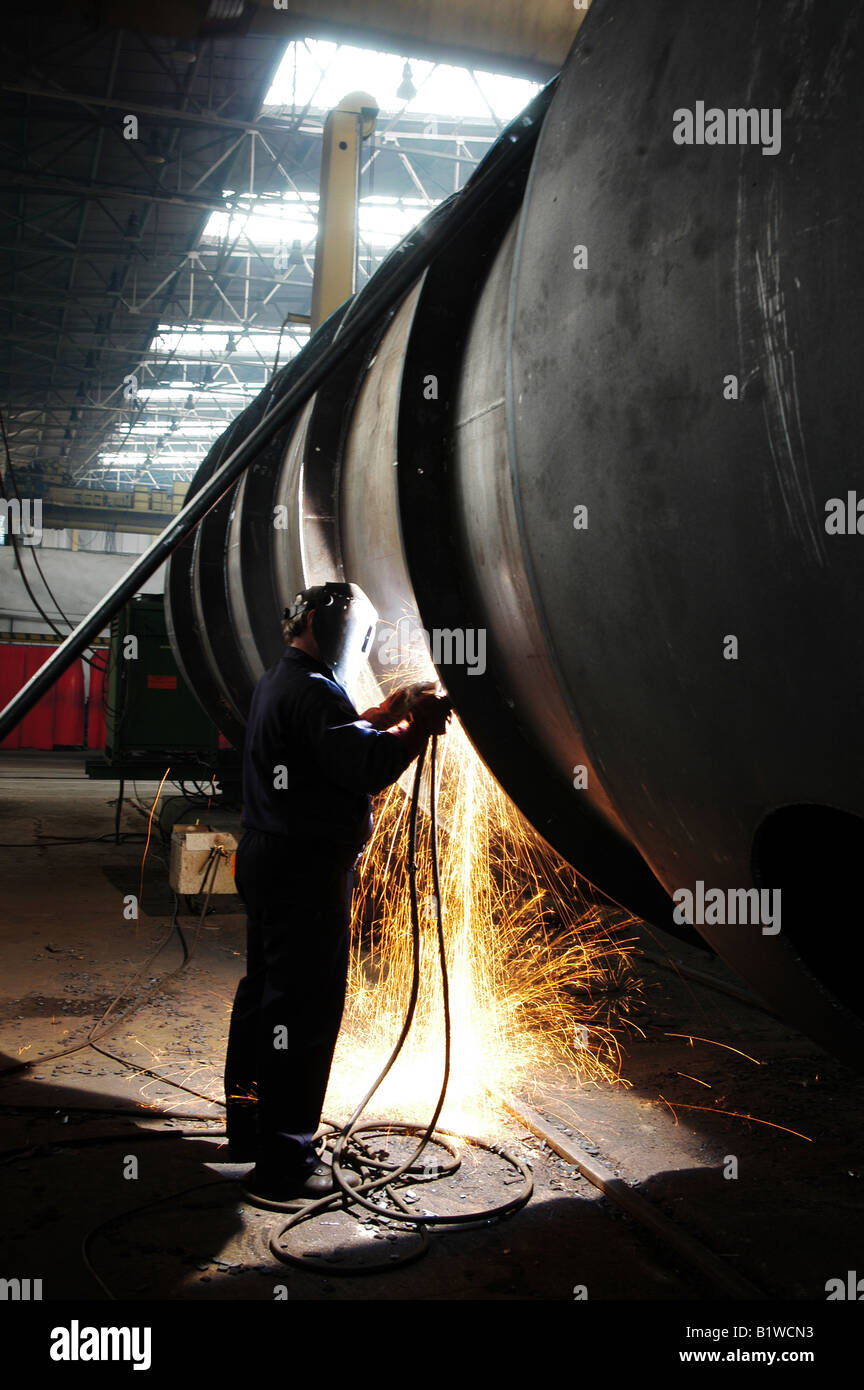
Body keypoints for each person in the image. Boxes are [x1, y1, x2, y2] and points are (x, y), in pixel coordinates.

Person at [222, 581, 450, 1208]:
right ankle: (285, 1161)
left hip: (266, 858)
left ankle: (247, 1131)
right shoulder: (314, 690)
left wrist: (392, 709)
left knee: (263, 997)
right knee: (302, 1012)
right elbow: (363, 766)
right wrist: (415, 729)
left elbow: (337, 735)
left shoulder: (283, 681)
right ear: (328, 625)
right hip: (304, 871)